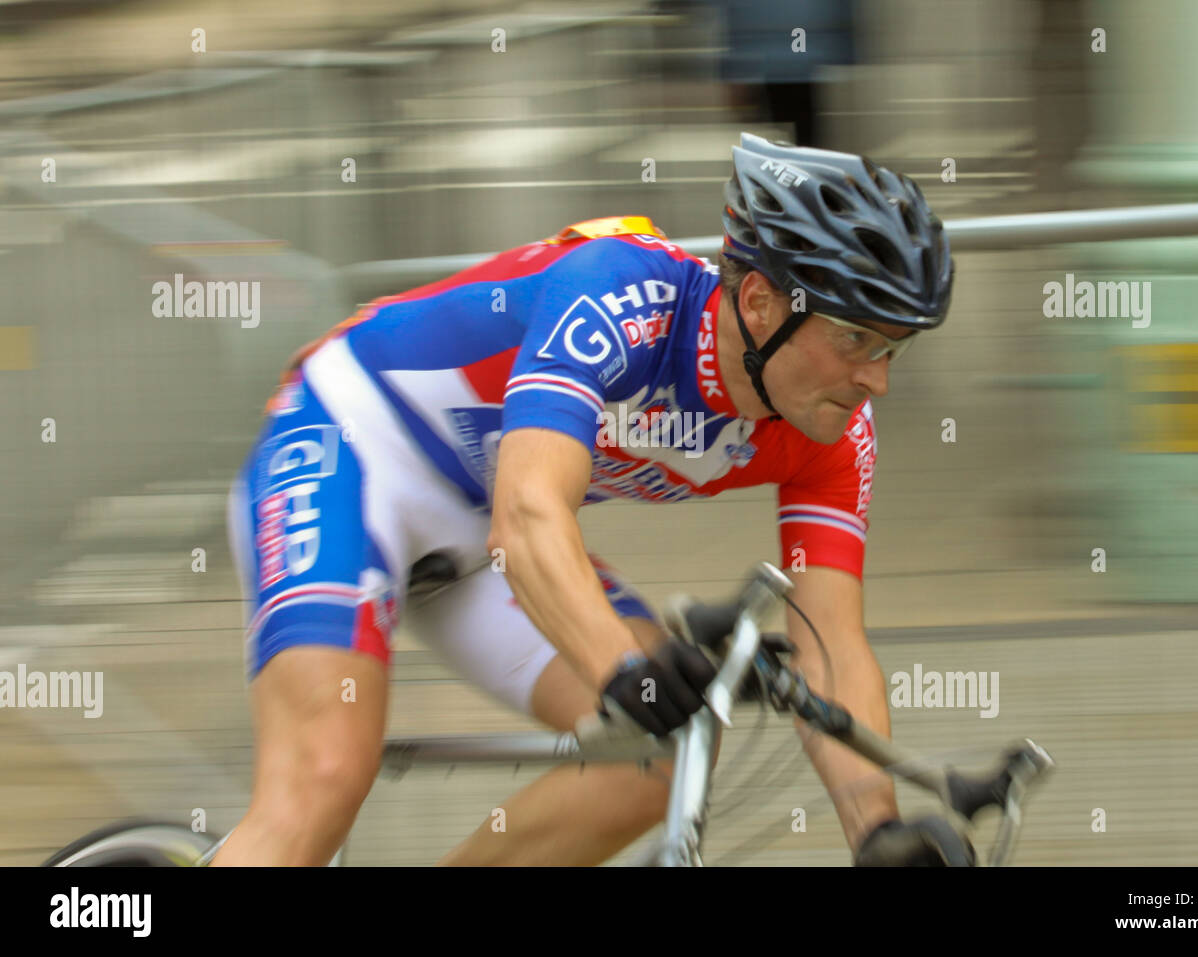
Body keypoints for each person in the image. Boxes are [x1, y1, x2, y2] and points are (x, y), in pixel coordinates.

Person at [215, 132, 969, 866]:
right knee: (325, 774)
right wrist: (622, 667)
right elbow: (530, 512)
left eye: (893, 348)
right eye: (856, 341)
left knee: (654, 758)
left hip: (480, 527)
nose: (878, 379)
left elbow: (831, 643)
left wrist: (875, 833)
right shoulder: (622, 295)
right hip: (352, 447)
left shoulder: (833, 432)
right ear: (763, 304)